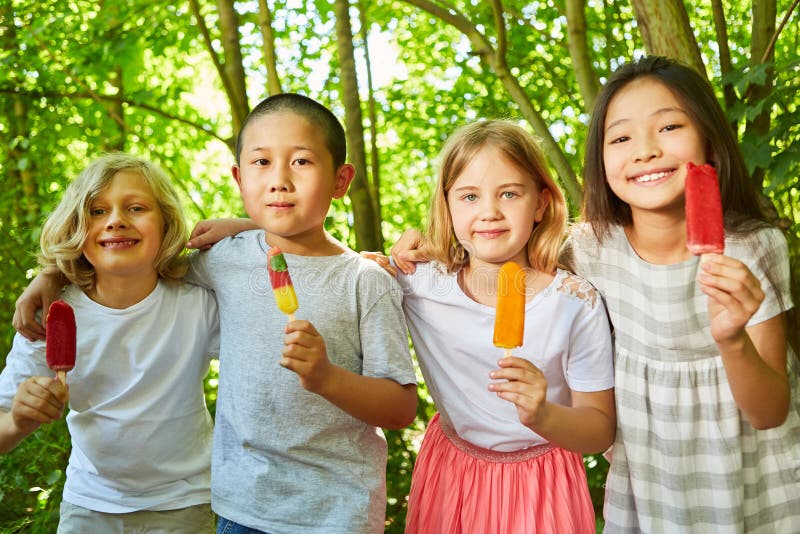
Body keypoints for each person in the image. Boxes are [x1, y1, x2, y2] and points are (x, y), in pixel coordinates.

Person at [392, 56, 800, 533]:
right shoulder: (589, 251)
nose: (645, 151)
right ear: (600, 158)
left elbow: (770, 410)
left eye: (668, 126)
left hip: (751, 471)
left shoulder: (752, 248)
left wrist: (731, 339)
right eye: (622, 137)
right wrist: (420, 247)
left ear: (709, 140)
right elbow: (508, 255)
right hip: (650, 479)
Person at [14, 94, 419, 533]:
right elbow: (140, 264)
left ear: (341, 180)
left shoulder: (365, 281)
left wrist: (327, 377)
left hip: (336, 511)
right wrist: (52, 275)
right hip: (237, 507)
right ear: (239, 178)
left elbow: (400, 410)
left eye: (301, 162)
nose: (280, 180)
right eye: (262, 163)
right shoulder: (223, 261)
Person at [389, 119, 615, 533]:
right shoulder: (419, 283)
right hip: (450, 477)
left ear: (541, 204)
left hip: (542, 482)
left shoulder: (575, 303)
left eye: (509, 193)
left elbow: (599, 429)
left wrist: (543, 413)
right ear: (448, 206)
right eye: (469, 196)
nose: (489, 212)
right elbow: (329, 262)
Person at [0, 154, 219, 532]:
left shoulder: (199, 302)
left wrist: (243, 226)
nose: (116, 220)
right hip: (89, 505)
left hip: (184, 504)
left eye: (136, 207)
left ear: (166, 222)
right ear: (76, 228)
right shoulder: (53, 315)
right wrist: (19, 420)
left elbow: (270, 263)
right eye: (97, 211)